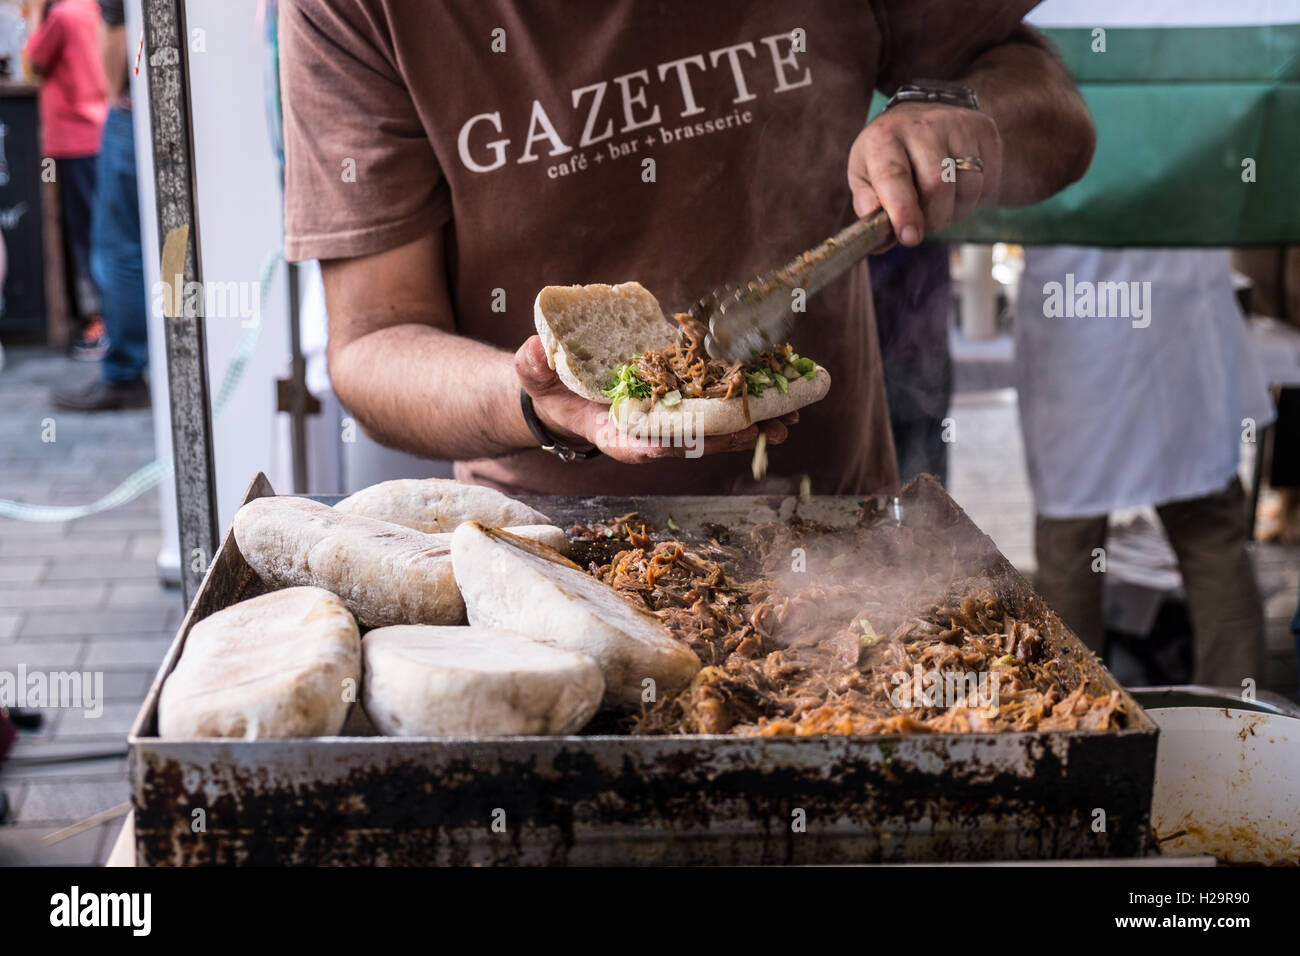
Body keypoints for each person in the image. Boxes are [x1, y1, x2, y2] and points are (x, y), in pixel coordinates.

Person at [279, 0, 1094, 498]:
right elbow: (374, 338)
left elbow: (1057, 114)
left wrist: (961, 114)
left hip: (836, 527)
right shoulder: (357, 7)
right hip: (546, 550)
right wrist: (537, 401)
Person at [1014, 246, 1272, 688]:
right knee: (1210, 536)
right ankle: (1237, 720)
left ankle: (1073, 729)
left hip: (1080, 314)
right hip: (1176, 312)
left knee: (1071, 548)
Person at [52, 0, 150, 410]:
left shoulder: (65, 14)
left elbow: (115, 28)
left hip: (132, 105)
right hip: (155, 104)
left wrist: (118, 99)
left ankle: (126, 369)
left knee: (117, 250)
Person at [23, 0, 108, 360]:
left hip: (74, 138)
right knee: (101, 230)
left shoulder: (61, 16)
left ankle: (100, 323)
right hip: (99, 130)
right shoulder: (94, 9)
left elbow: (32, 64)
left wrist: (34, 15)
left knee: (86, 233)